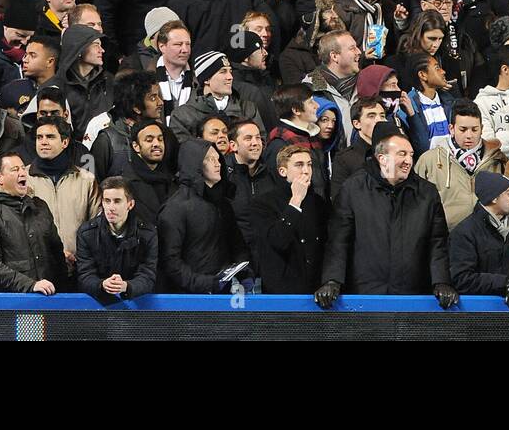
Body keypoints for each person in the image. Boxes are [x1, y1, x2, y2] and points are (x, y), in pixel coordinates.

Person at [316, 132, 456, 307]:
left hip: (412, 296)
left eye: (411, 155)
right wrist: (332, 280)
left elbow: (438, 242)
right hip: (365, 295)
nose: (409, 161)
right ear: (382, 158)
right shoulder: (353, 189)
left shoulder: (427, 193)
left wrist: (441, 281)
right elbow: (339, 240)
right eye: (402, 154)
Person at [157, 138, 250, 293]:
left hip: (224, 292)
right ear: (194, 165)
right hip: (189, 299)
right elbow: (170, 261)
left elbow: (237, 244)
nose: (217, 163)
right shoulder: (175, 207)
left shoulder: (223, 203)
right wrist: (206, 284)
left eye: (217, 158)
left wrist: (245, 272)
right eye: (209, 159)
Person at [0, 150, 67, 294]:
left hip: (49, 299)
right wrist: (30, 285)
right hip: (11, 304)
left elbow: (57, 254)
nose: (22, 173)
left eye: (23, 168)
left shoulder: (40, 207)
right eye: (15, 170)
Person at [414, 102, 509, 230]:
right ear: (451, 129)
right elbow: (416, 205)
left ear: (481, 128)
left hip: (489, 235)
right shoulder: (429, 160)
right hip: (445, 237)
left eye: (474, 129)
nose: (469, 135)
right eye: (463, 129)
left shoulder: (498, 159)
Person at [248, 144, 329, 294]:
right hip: (282, 293)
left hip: (315, 290)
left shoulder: (319, 203)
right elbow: (278, 241)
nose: (306, 170)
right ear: (282, 171)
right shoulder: (263, 204)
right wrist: (296, 200)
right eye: (299, 165)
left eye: (309, 165)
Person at [26, 116, 100, 268]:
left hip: (79, 267)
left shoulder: (86, 180)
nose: (43, 142)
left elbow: (97, 227)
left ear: (65, 142)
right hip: (37, 269)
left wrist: (81, 257)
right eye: (39, 137)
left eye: (50, 137)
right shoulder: (22, 179)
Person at [74, 177, 159, 304]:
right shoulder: (87, 233)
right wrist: (102, 284)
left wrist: (127, 286)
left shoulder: (147, 234)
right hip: (98, 304)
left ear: (130, 204)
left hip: (135, 304)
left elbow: (147, 275)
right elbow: (85, 274)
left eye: (117, 201)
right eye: (107, 201)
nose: (111, 207)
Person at [447, 171, 509, 306]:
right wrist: (504, 283)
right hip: (475, 312)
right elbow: (461, 278)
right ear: (494, 197)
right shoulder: (465, 232)